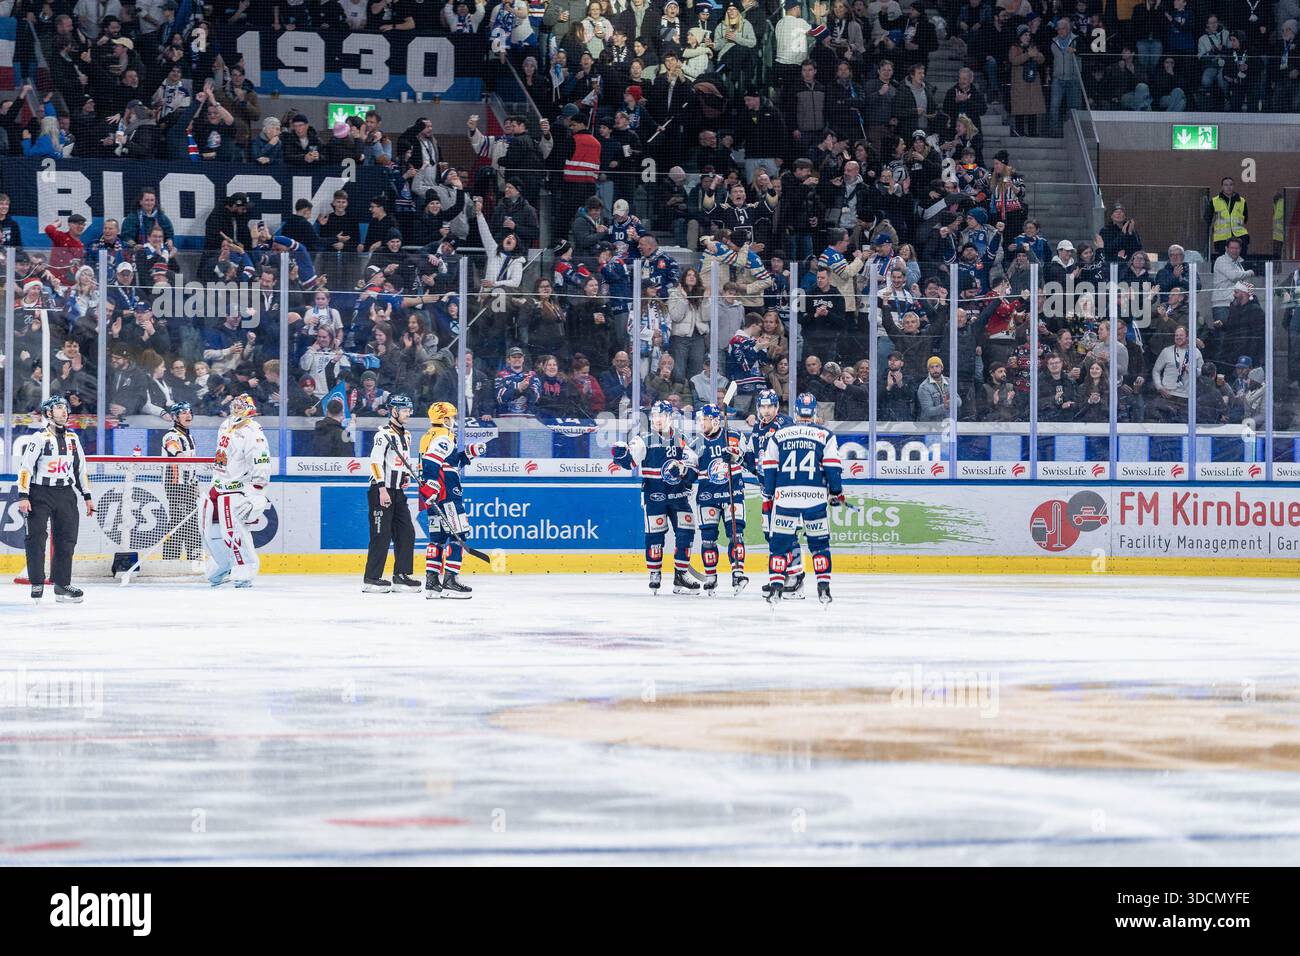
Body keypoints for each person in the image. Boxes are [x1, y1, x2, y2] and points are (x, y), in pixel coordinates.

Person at [761, 391, 842, 605]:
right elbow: (833, 468)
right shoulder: (826, 436)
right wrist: (835, 491)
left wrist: (769, 492)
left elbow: (769, 468)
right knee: (819, 546)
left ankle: (777, 588)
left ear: (795, 412)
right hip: (814, 499)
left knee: (779, 546)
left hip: (785, 498)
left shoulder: (779, 435)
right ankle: (824, 588)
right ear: (814, 412)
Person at [612, 400, 700, 594]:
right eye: (654, 415)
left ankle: (681, 574)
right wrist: (620, 456)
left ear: (670, 417)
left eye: (662, 415)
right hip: (654, 496)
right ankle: (655, 573)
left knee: (686, 531)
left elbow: (694, 468)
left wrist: (684, 470)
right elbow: (630, 463)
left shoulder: (681, 439)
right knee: (654, 536)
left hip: (678, 496)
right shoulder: (643, 439)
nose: (658, 419)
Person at [17, 395, 94, 603]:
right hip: (39, 493)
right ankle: (37, 582)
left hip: (65, 494)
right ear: (49, 413)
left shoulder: (73, 439)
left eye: (66, 408)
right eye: (59, 408)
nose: (64, 412)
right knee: (36, 539)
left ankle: (61, 584)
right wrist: (23, 495)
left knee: (67, 540)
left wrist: (87, 495)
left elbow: (81, 470)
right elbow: (25, 468)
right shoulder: (39, 438)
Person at [418, 401, 488, 599]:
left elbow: (446, 460)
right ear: (444, 419)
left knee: (437, 538)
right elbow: (433, 460)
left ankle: (432, 583)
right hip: (446, 492)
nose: (454, 421)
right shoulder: (445, 436)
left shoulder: (428, 436)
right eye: (451, 417)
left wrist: (468, 453)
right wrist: (433, 484)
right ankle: (450, 581)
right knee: (460, 534)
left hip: (432, 496)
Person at [201, 394, 270, 588]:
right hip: (217, 486)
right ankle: (221, 564)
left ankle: (245, 568)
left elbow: (261, 463)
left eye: (240, 407)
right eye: (235, 406)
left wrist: (256, 494)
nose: (236, 410)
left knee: (234, 532)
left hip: (236, 489)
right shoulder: (225, 425)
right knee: (210, 532)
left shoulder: (253, 433)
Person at [362, 395, 422, 594]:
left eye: (409, 410)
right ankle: (371, 578)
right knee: (381, 535)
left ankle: (402, 576)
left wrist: (406, 476)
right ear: (394, 411)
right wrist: (381, 488)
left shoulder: (407, 435)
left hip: (398, 492)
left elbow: (402, 459)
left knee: (407, 533)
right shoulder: (383, 435)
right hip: (382, 492)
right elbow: (375, 462)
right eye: (405, 410)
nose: (409, 413)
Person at [689, 403, 750, 595]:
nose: (701, 423)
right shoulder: (696, 442)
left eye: (704, 419)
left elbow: (749, 460)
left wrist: (735, 456)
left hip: (733, 494)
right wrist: (683, 471)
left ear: (715, 420)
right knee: (708, 540)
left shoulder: (734, 436)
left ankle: (738, 573)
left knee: (736, 535)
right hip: (707, 496)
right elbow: (690, 473)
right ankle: (711, 576)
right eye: (700, 420)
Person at [161, 399, 202, 562]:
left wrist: (196, 484)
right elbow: (176, 452)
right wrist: (179, 454)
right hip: (175, 486)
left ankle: (195, 558)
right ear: (175, 417)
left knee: (192, 521)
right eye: (183, 412)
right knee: (178, 521)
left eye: (189, 412)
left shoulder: (189, 437)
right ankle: (170, 559)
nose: (188, 415)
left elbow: (192, 465)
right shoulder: (171, 435)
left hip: (189, 486)